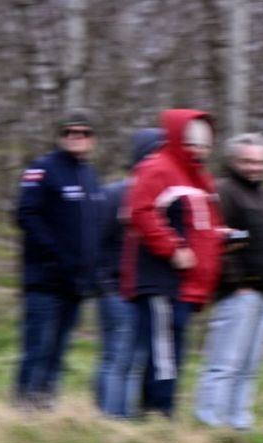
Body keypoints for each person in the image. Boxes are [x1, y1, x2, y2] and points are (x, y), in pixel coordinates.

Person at [122, 109, 224, 418]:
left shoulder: (201, 180)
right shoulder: (158, 168)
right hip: (160, 281)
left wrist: (225, 238)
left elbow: (205, 226)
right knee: (163, 355)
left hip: (187, 286)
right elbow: (140, 211)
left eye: (205, 144)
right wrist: (173, 248)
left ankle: (158, 415)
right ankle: (158, 416)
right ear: (179, 138)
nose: (200, 150)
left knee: (175, 354)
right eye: (193, 143)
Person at [195, 133, 263, 430]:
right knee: (224, 363)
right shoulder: (223, 192)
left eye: (261, 162)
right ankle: (209, 421)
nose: (255, 167)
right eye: (248, 161)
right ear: (233, 160)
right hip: (240, 295)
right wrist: (237, 283)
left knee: (250, 366)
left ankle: (239, 422)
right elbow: (217, 242)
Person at [13, 110, 102, 409]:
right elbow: (26, 214)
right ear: (61, 137)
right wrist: (54, 254)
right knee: (37, 347)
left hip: (75, 284)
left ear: (93, 139)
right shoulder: (43, 169)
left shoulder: (90, 175)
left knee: (59, 350)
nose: (76, 138)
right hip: (45, 280)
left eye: (83, 133)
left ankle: (46, 404)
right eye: (70, 133)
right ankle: (24, 408)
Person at [92, 128, 164, 417]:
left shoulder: (161, 201)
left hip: (141, 293)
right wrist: (105, 285)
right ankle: (112, 423)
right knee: (118, 360)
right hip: (116, 292)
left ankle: (117, 420)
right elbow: (94, 243)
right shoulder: (114, 195)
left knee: (131, 360)